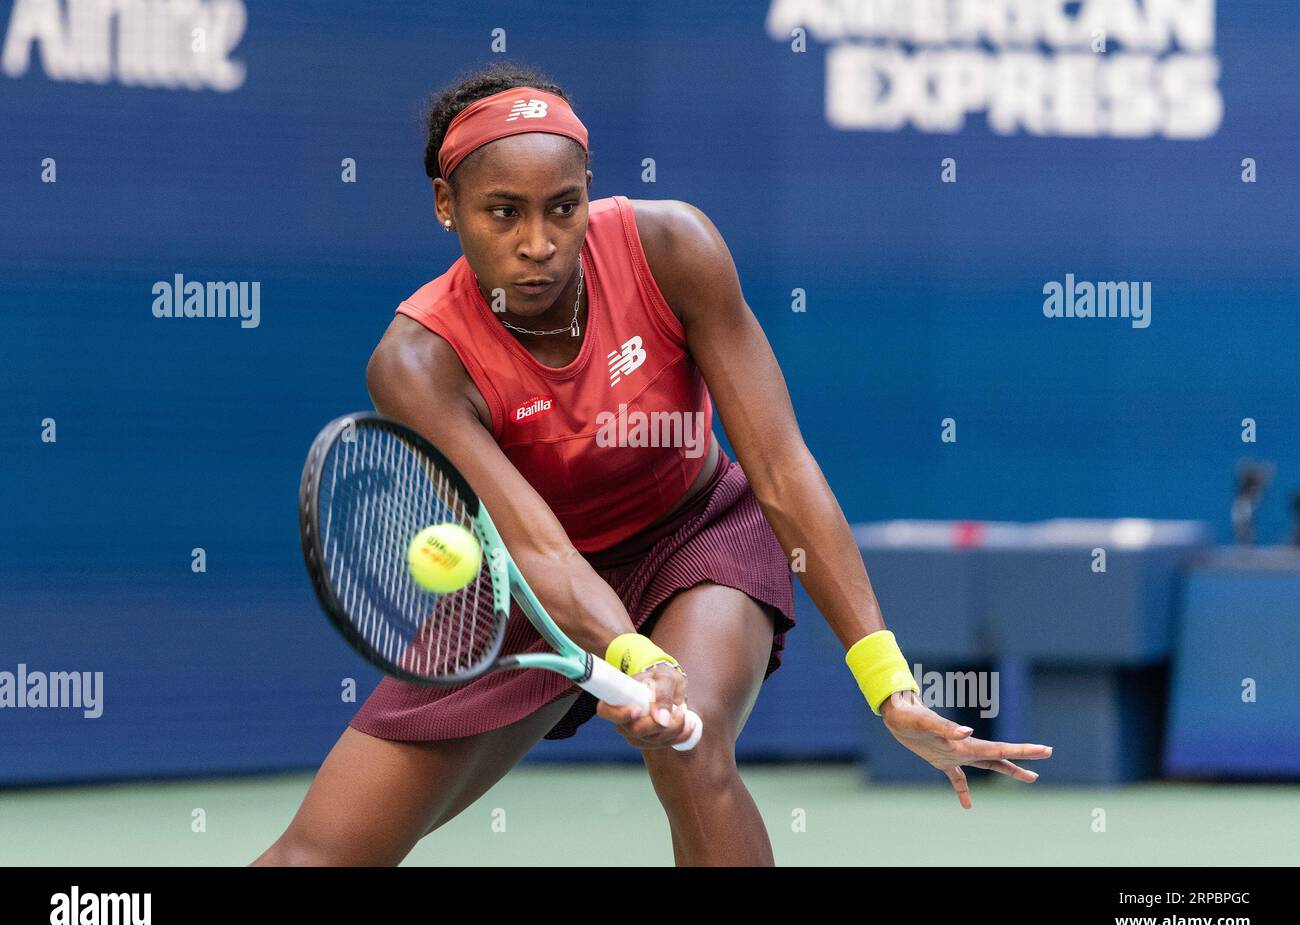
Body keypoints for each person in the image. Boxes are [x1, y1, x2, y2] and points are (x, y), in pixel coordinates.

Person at [252, 62, 1052, 867]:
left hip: (697, 536)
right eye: (503, 213)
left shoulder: (671, 248)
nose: (539, 244)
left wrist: (889, 683)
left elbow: (780, 469)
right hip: (526, 586)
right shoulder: (418, 361)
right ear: (445, 206)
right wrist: (632, 653)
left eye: (563, 208)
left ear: (588, 192)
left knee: (688, 744)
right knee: (318, 856)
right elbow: (536, 549)